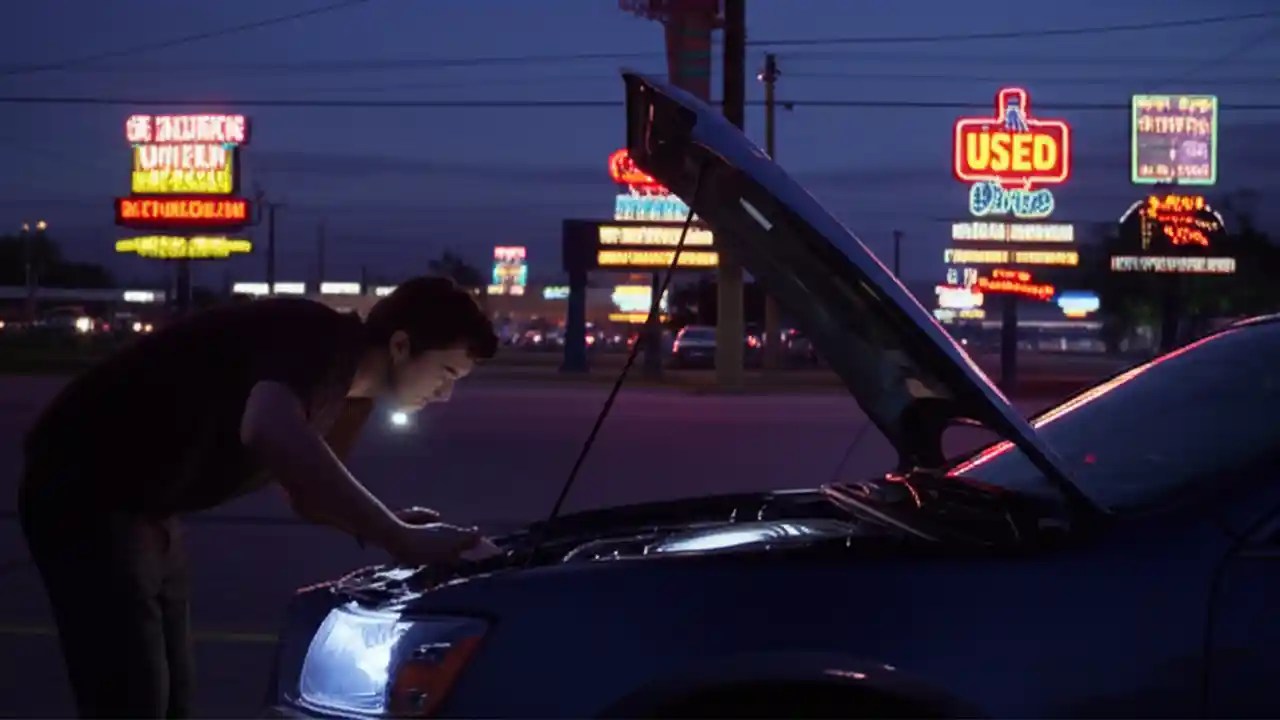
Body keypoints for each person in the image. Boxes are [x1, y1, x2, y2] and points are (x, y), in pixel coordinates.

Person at [18, 276, 499, 718]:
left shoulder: (351, 398)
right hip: (88, 491)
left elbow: (308, 496)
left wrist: (388, 525)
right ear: (400, 345)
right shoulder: (321, 341)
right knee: (132, 697)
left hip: (149, 507)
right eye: (447, 372)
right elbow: (268, 426)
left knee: (172, 696)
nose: (445, 395)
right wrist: (396, 537)